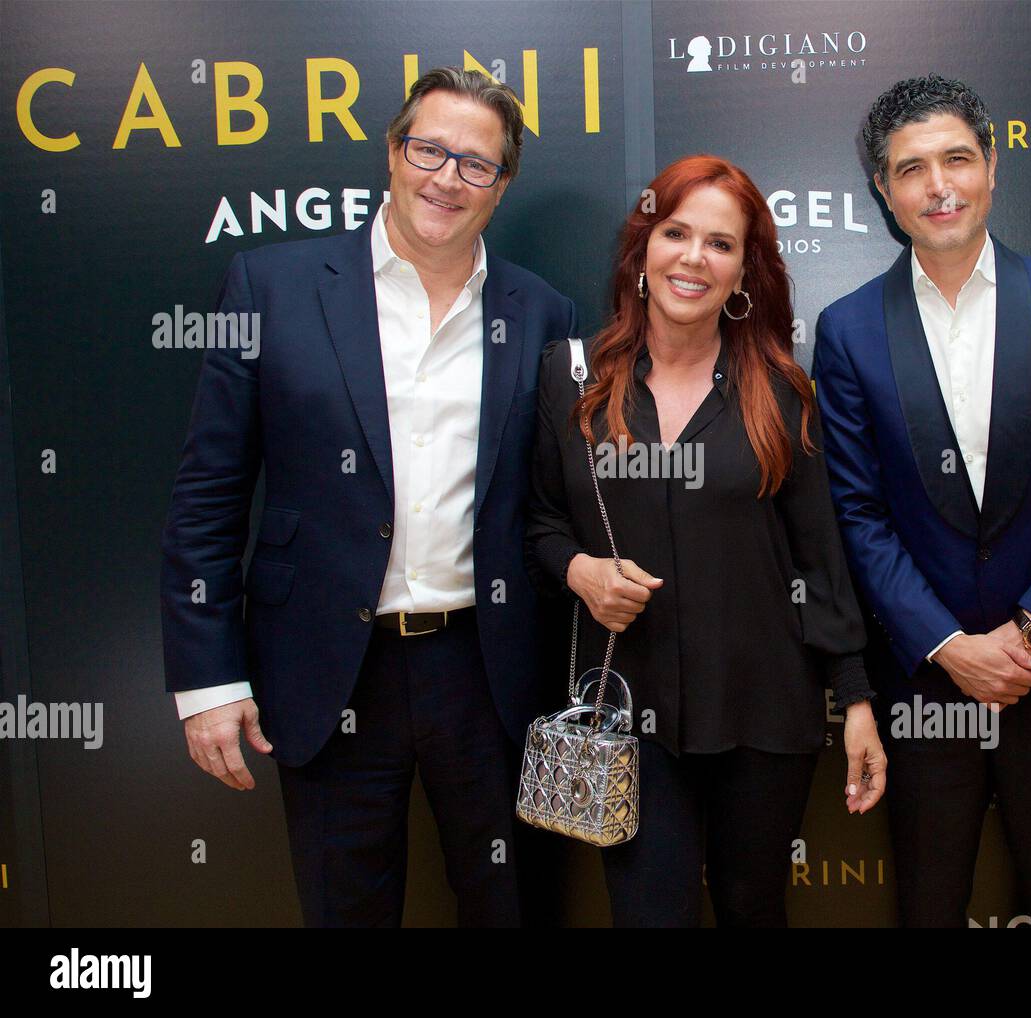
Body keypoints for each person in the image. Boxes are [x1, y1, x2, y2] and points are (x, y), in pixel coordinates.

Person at [160, 67, 576, 927]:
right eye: (429, 150)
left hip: (489, 671)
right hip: (327, 668)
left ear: (502, 185)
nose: (447, 178)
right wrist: (207, 678)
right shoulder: (270, 287)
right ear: (392, 152)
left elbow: (551, 505)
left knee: (510, 907)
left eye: (476, 163)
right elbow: (208, 495)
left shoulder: (542, 313)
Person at [814, 74, 1031, 927]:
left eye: (957, 159)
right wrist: (950, 646)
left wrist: (1028, 634)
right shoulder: (849, 330)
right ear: (883, 190)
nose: (939, 186)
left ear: (992, 166)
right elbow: (856, 514)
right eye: (911, 168)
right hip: (925, 688)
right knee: (928, 905)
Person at [526, 154, 886, 928]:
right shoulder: (571, 377)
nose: (694, 258)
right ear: (642, 250)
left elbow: (820, 558)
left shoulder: (782, 392)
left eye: (720, 244)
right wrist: (580, 570)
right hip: (628, 714)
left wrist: (855, 700)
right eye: (676, 233)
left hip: (765, 712)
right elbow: (539, 522)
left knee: (754, 910)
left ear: (743, 272)